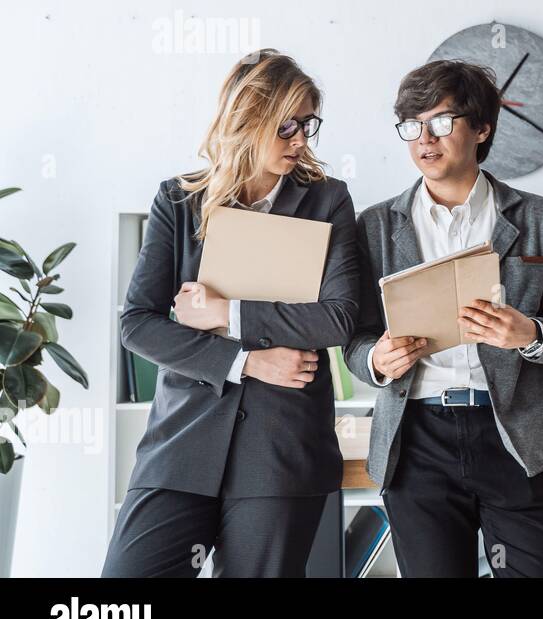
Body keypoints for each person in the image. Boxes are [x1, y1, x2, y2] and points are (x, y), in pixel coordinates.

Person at [103, 49, 359, 578]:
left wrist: (229, 313)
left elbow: (339, 317)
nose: (302, 141)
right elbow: (137, 323)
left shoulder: (328, 201)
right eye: (287, 125)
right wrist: (245, 361)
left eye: (309, 124)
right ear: (247, 118)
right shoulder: (178, 200)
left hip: (280, 451)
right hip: (182, 444)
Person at [344, 59, 543, 578]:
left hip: (514, 436)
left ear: (482, 128)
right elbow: (356, 341)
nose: (424, 139)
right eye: (412, 125)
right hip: (416, 442)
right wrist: (378, 361)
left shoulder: (537, 217)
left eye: (441, 122)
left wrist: (530, 333)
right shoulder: (376, 226)